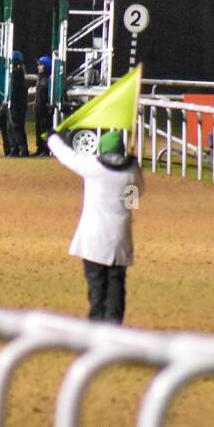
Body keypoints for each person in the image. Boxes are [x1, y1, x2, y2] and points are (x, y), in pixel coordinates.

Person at [46, 128, 143, 324]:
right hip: (120, 239)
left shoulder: (93, 167)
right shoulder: (132, 172)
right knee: (116, 286)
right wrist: (134, 168)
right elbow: (133, 201)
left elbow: (68, 156)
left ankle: (96, 326)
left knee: (97, 288)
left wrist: (53, 138)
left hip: (93, 240)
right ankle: (113, 326)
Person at [6, 51, 29, 156]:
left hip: (17, 104)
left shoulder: (17, 73)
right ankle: (15, 149)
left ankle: (22, 149)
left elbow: (14, 91)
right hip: (17, 104)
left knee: (16, 127)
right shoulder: (18, 72)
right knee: (11, 127)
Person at [32, 55, 55, 156]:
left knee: (45, 129)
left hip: (45, 109)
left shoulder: (49, 79)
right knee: (39, 130)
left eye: (40, 65)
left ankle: (46, 150)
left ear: (46, 66)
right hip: (38, 109)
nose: (38, 67)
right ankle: (40, 148)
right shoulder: (40, 78)